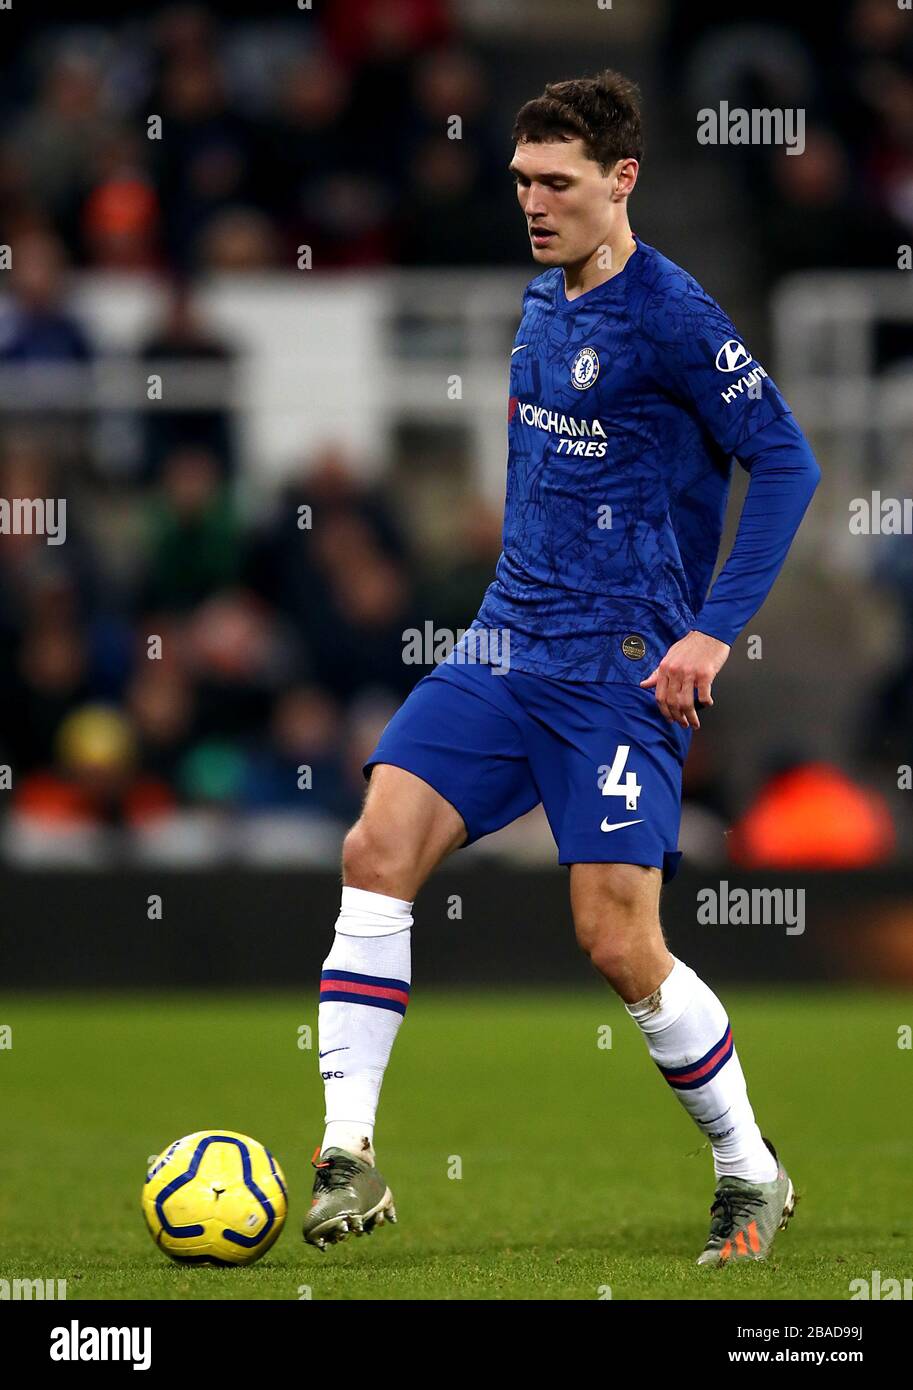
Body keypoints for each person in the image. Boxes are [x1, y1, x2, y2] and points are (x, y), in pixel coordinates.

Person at [304, 70, 820, 1265]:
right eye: (522, 182)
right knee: (375, 846)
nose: (533, 203)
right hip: (503, 643)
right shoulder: (541, 303)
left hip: (621, 672)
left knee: (617, 943)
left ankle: (749, 1170)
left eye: (557, 183)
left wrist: (711, 627)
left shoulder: (676, 315)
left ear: (621, 180)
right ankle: (349, 1156)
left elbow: (783, 462)